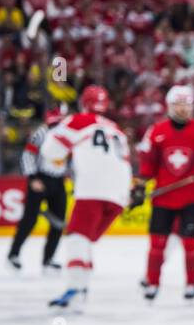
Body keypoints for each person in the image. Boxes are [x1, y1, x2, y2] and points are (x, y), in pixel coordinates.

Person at [45, 85, 132, 310]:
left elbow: (50, 152)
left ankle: (76, 288)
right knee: (86, 241)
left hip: (91, 189)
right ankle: (82, 286)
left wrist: (55, 128)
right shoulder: (116, 129)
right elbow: (126, 162)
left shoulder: (77, 121)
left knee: (76, 238)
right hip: (118, 195)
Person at [137, 85, 194, 301]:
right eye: (178, 104)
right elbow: (147, 164)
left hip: (193, 197)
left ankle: (190, 284)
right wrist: (139, 185)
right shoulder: (156, 131)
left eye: (186, 105)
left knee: (191, 244)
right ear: (169, 106)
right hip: (163, 197)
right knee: (157, 244)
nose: (182, 109)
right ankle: (153, 282)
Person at [7, 108, 68, 274]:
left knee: (58, 222)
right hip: (40, 178)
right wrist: (33, 178)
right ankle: (14, 254)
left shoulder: (69, 133)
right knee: (29, 219)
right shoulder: (41, 133)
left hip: (58, 180)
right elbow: (27, 155)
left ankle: (48, 260)